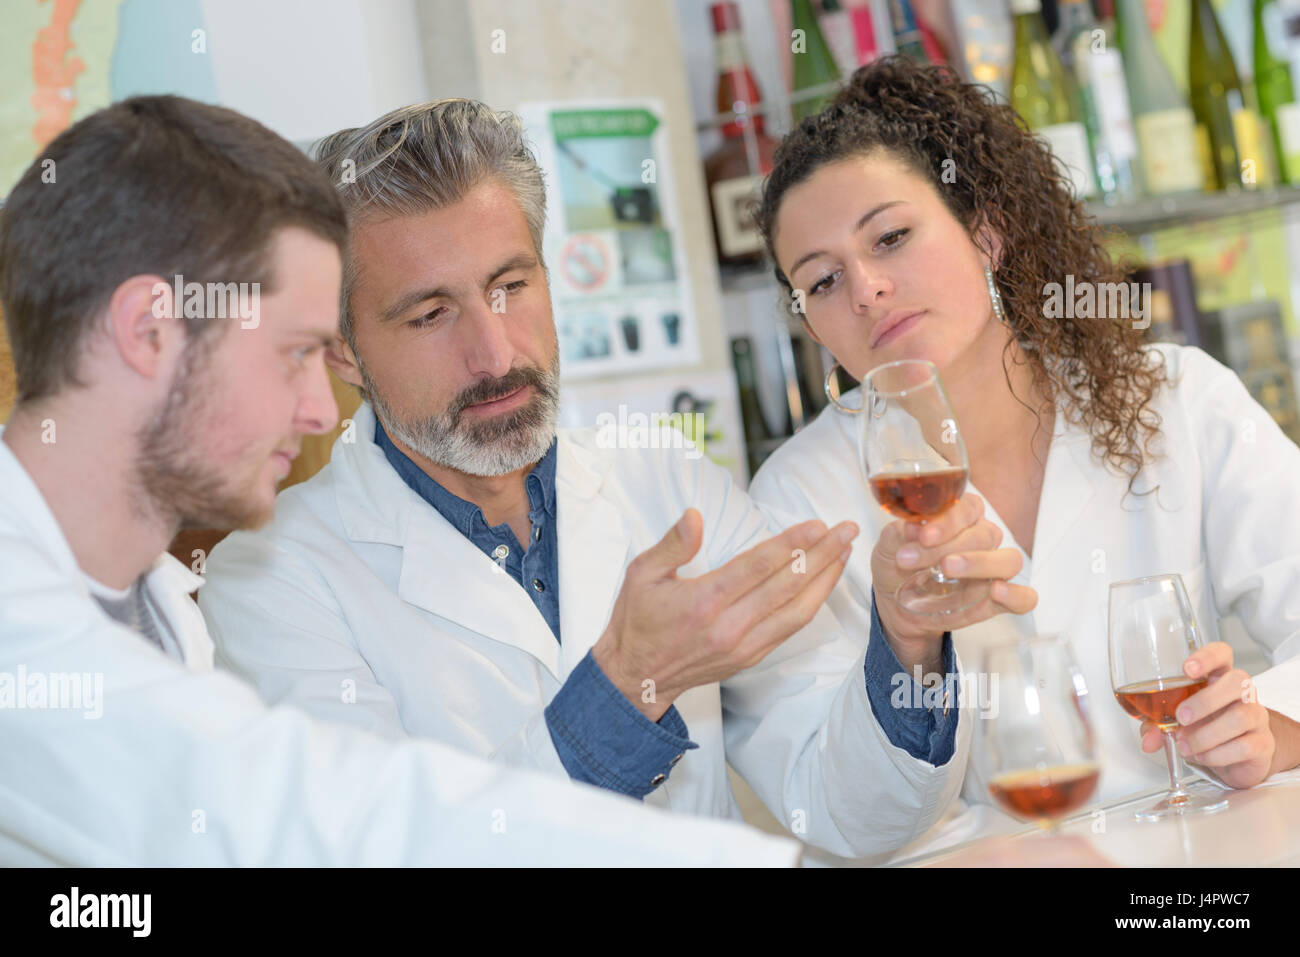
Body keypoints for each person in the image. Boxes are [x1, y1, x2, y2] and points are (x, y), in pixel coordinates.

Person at [196, 98, 1036, 861]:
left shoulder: (666, 483)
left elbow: (852, 812)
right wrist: (627, 686)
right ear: (341, 349)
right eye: (430, 315)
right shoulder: (269, 578)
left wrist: (909, 642)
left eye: (509, 286)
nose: (494, 354)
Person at [0, 94, 804, 866]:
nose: (322, 408)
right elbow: (322, 824)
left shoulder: (150, 602)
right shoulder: (20, 619)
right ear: (147, 333)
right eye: (291, 352)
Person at [747, 57, 1300, 811]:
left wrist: (1272, 729)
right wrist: (903, 642)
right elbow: (830, 810)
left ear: (986, 235)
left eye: (890, 237)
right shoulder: (797, 497)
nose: (867, 289)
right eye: (822, 281)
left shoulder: (1176, 400)